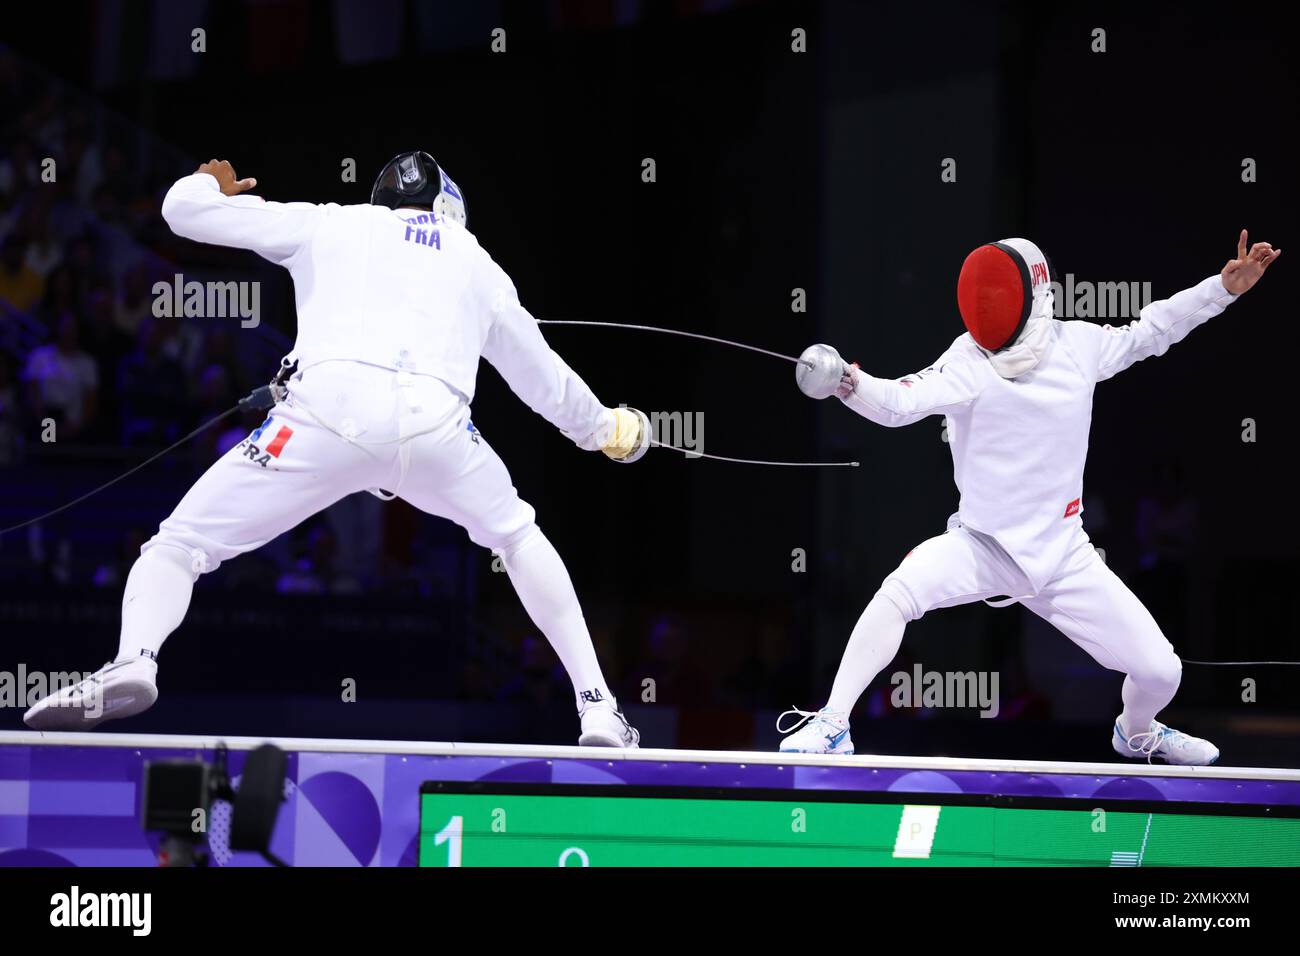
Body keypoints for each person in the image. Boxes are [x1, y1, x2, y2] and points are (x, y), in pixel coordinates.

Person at [24, 152, 647, 747]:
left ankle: (134, 661)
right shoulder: (474, 258)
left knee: (180, 545)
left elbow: (180, 212)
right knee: (515, 536)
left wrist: (207, 186)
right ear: (448, 208)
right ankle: (598, 706)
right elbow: (542, 377)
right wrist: (610, 432)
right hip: (436, 434)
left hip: (322, 418)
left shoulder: (329, 220)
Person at [780, 233, 1279, 765]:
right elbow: (902, 402)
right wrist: (849, 382)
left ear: (1035, 293)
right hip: (980, 544)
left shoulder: (1077, 347)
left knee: (1162, 671)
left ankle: (1136, 732)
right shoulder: (968, 359)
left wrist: (1222, 289)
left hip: (1064, 554)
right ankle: (833, 723)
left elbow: (1153, 330)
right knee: (898, 593)